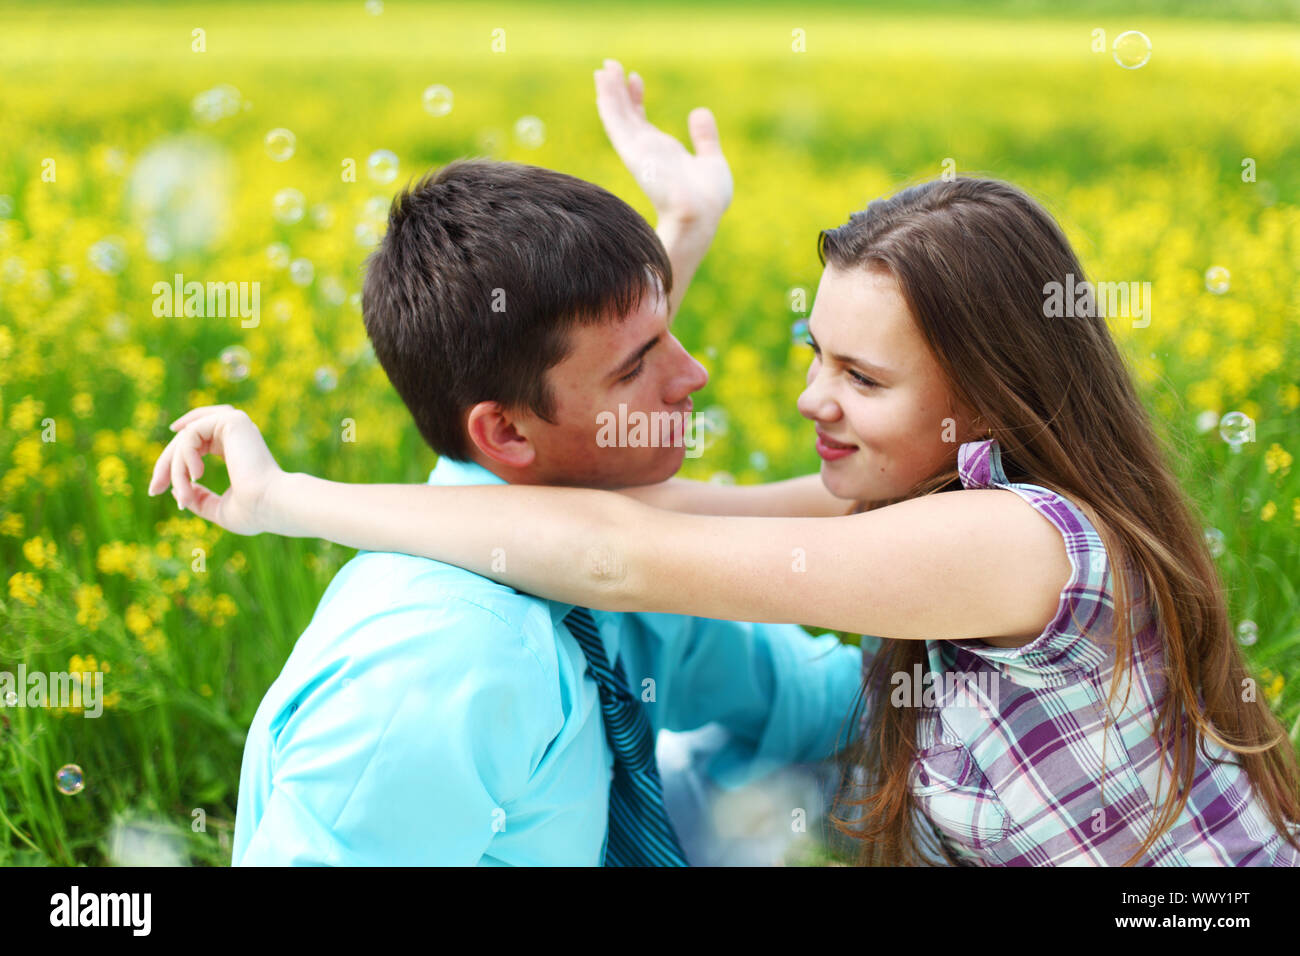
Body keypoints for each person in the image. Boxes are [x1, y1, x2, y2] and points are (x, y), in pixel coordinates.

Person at [151, 163, 1300, 866]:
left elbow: (618, 548)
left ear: (985, 396)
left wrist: (284, 499)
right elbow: (625, 498)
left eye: (862, 377)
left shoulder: (1011, 544)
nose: (809, 400)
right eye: (817, 356)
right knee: (716, 749)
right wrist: (671, 241)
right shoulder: (936, 497)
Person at [189, 61, 863, 866]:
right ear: (505, 435)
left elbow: (815, 707)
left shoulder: (622, 540)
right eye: (637, 365)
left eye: (668, 335)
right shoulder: (439, 668)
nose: (693, 377)